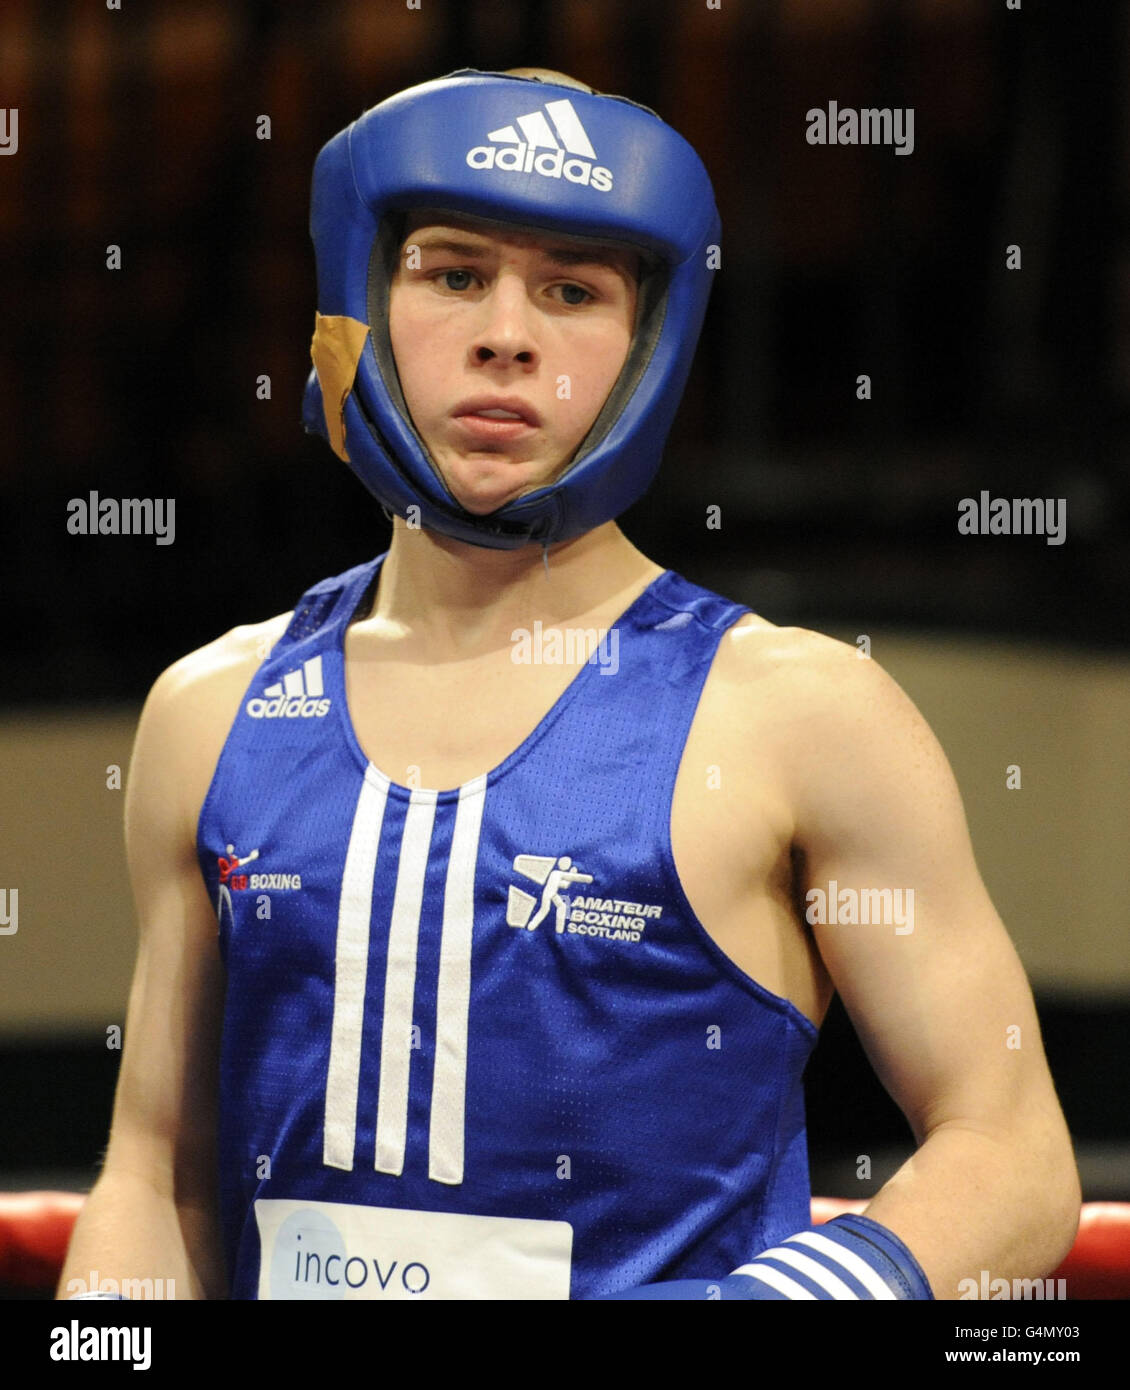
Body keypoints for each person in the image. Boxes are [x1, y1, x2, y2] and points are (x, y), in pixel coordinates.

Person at [58, 67, 1079, 1301]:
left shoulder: (795, 714)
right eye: (450, 272)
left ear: (647, 342)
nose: (507, 333)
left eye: (572, 290)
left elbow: (1012, 1155)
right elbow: (156, 1178)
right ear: (352, 305)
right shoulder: (211, 709)